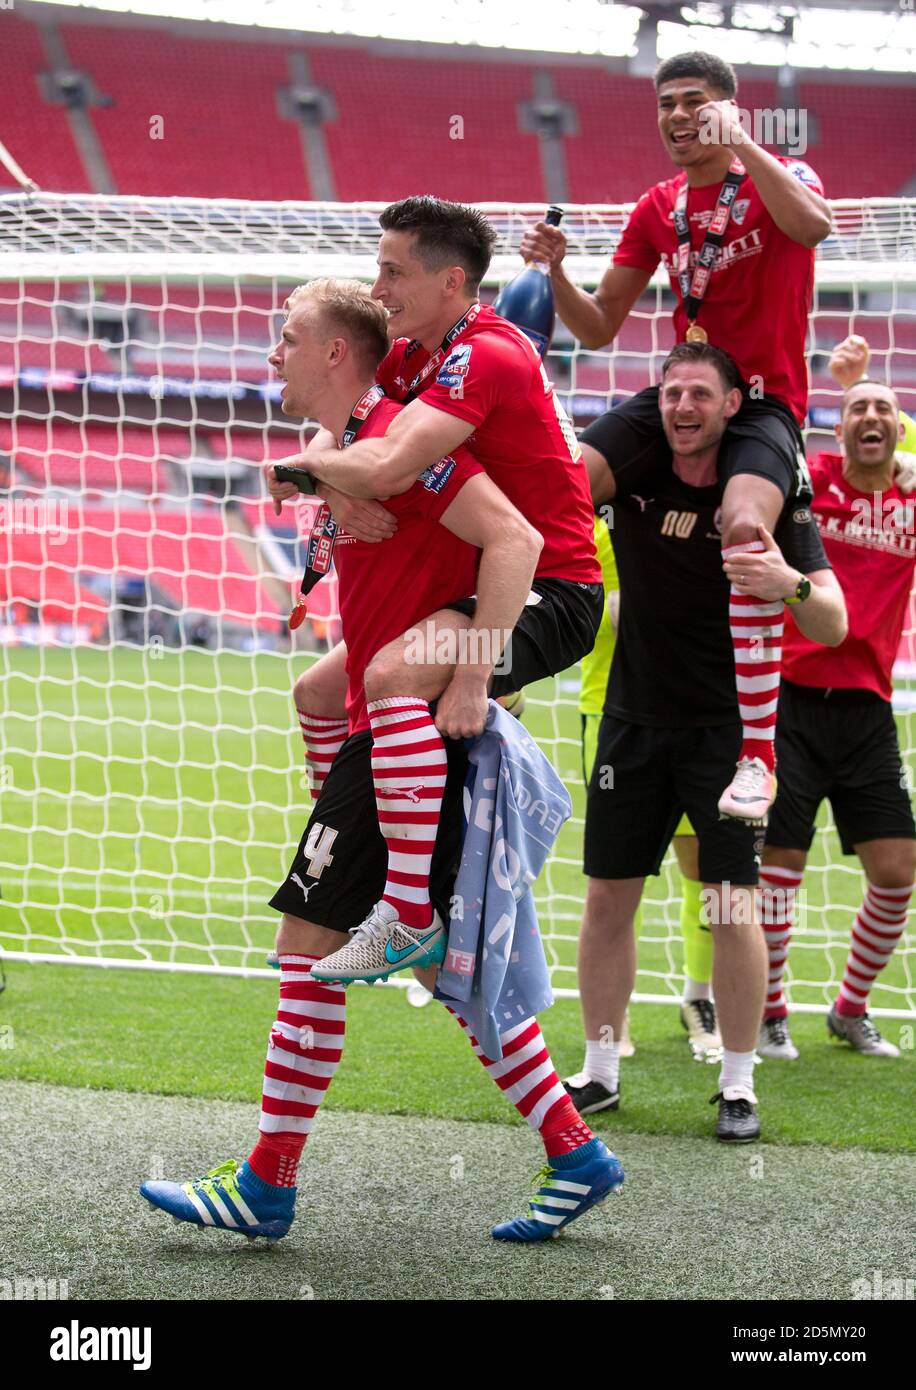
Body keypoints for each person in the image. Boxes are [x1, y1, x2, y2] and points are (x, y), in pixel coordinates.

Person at [140, 278, 623, 1243]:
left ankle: (267, 1185)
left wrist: (477, 670)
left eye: (288, 338)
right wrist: (315, 476)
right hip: (388, 743)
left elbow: (510, 536)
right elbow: (323, 678)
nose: (272, 354)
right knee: (450, 977)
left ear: (333, 354)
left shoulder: (403, 439)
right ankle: (575, 1152)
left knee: (304, 956)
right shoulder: (354, 444)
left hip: (405, 737)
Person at [267, 195, 604, 982]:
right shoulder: (414, 350)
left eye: (393, 270)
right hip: (477, 578)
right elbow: (343, 428)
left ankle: (409, 914)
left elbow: (386, 464)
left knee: (389, 676)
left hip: (546, 585)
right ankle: (358, 816)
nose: (377, 284)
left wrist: (476, 674)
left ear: (451, 281)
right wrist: (326, 479)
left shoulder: (485, 354)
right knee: (320, 691)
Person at [519, 50, 831, 826]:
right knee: (559, 482)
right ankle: (506, 661)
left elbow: (815, 227)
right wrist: (558, 275)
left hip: (760, 405)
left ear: (730, 107)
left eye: (696, 102)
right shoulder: (657, 207)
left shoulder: (784, 176)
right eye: (666, 104)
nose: (678, 116)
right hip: (680, 396)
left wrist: (746, 146)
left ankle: (756, 757)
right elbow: (597, 328)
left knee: (747, 531)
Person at [567, 342, 846, 1141]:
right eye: (671, 393)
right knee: (607, 900)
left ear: (732, 406)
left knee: (729, 905)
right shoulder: (634, 471)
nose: (683, 407)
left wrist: (788, 584)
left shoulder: (765, 492)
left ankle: (736, 1082)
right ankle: (601, 1069)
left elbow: (832, 621)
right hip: (632, 722)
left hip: (730, 738)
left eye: (700, 394)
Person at [758, 338, 916, 1060]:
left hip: (867, 709)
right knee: (779, 868)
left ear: (902, 430)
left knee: (896, 870)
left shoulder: (912, 499)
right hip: (789, 698)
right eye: (857, 408)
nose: (871, 416)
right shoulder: (814, 481)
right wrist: (843, 387)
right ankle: (771, 1012)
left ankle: (849, 1010)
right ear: (840, 425)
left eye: (885, 407)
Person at [578, 511, 721, 1068]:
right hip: (612, 711)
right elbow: (595, 611)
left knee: (706, 866)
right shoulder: (600, 520)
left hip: (695, 717)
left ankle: (699, 998)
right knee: (617, 874)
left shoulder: (697, 504)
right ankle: (615, 1019)